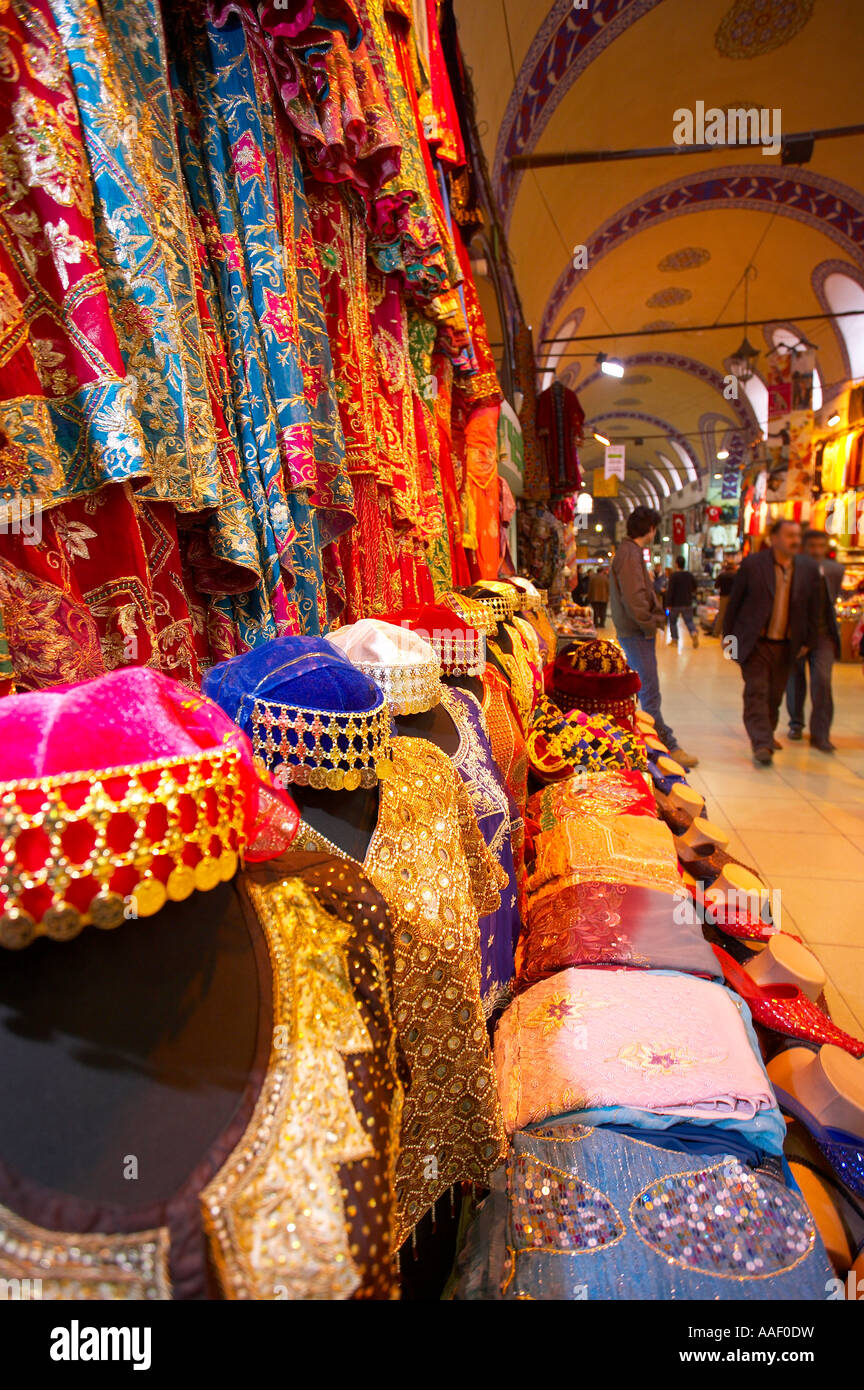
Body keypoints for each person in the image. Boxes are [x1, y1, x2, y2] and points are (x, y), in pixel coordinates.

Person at [722, 519, 821, 765]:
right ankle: (761, 743)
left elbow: (813, 608)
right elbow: (734, 605)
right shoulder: (754, 565)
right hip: (756, 643)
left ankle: (766, 732)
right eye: (789, 535)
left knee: (774, 695)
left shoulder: (807, 569)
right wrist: (730, 640)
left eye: (797, 536)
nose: (795, 541)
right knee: (757, 691)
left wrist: (808, 640)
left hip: (787, 645)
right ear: (774, 538)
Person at [609, 505, 698, 768]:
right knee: (649, 691)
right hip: (636, 631)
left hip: (636, 630)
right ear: (650, 529)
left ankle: (655, 745)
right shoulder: (629, 554)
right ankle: (663, 749)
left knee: (646, 689)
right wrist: (650, 623)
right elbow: (635, 597)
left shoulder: (630, 552)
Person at [785, 529, 843, 751]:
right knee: (795, 681)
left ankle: (821, 734)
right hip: (797, 635)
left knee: (823, 680)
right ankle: (796, 723)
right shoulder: (791, 570)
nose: (818, 551)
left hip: (823, 635)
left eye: (822, 546)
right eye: (813, 546)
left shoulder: (835, 570)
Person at [666, 556, 699, 648]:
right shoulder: (689, 575)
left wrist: (668, 603)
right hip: (687, 602)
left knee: (672, 622)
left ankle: (674, 640)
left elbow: (670, 590)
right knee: (689, 621)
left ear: (676, 564)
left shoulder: (673, 576)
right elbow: (695, 586)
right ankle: (693, 632)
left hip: (675, 604)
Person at [712, 557, 738, 636]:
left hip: (723, 596)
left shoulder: (722, 575)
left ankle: (716, 633)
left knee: (721, 615)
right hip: (734, 597)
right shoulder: (737, 575)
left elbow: (716, 586)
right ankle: (731, 633)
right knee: (733, 615)